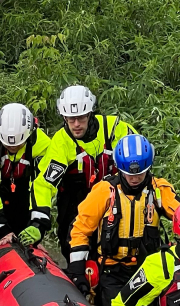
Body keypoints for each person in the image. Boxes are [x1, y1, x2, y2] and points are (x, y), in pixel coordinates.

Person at [68, 134, 180, 306]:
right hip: (112, 270)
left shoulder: (159, 189)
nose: (134, 178)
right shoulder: (104, 191)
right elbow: (80, 228)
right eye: (129, 173)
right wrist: (77, 270)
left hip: (147, 271)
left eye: (139, 173)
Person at [33, 85, 136, 261]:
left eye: (80, 118)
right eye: (70, 119)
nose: (76, 124)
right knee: (72, 246)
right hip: (76, 204)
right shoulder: (61, 141)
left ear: (90, 114)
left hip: (114, 202)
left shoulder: (114, 129)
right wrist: (38, 221)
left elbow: (139, 159)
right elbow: (45, 183)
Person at [0, 103, 52, 253]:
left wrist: (37, 225)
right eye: (7, 144)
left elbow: (42, 186)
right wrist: (1, 228)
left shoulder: (42, 144)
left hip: (19, 187)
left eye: (18, 144)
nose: (12, 148)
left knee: (22, 228)